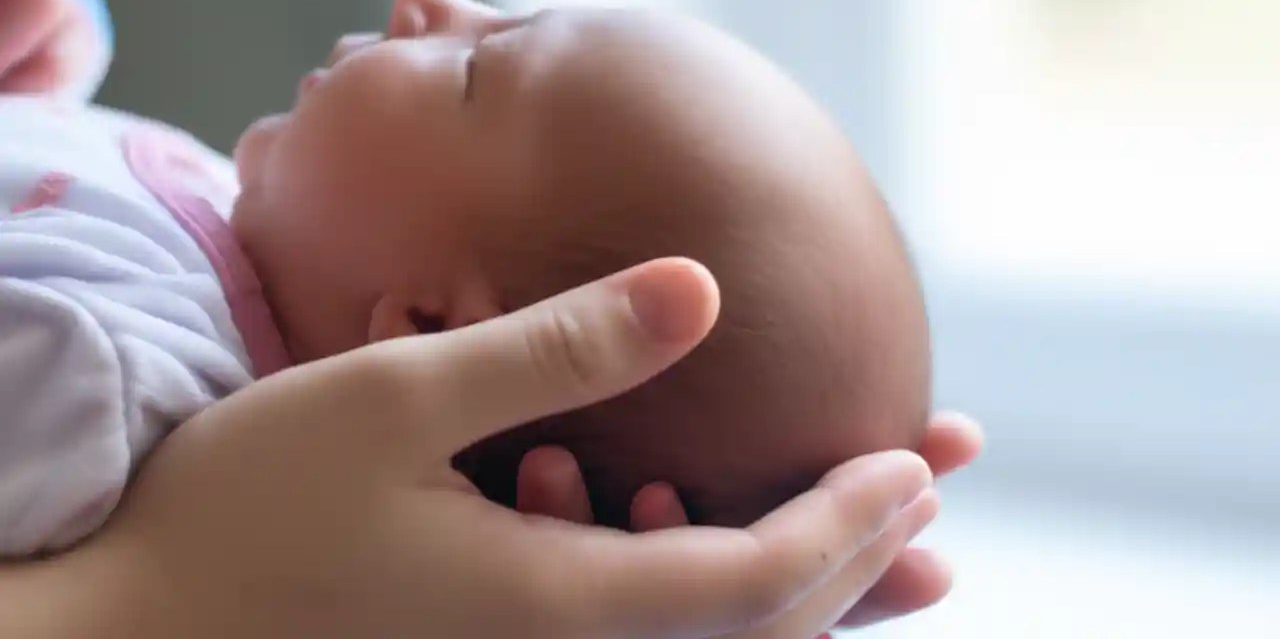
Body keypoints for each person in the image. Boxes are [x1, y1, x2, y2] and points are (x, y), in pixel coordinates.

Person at [0, 256, 981, 638]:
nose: (424, 1)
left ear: (425, 323)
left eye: (475, 72)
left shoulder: (91, 377)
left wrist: (156, 593)